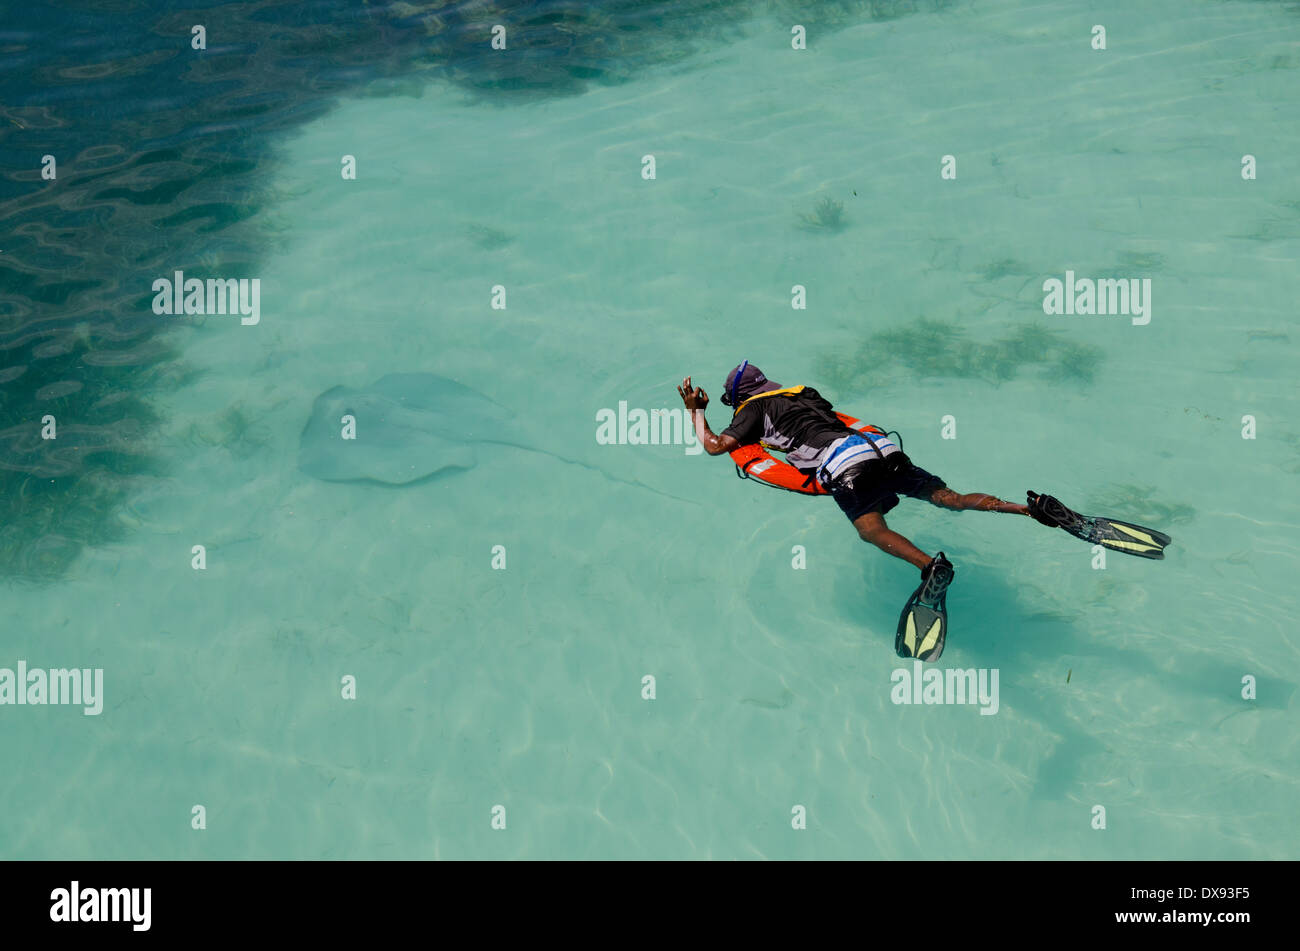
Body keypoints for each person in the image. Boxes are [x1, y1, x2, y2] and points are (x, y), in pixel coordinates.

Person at [678, 362, 1170, 661]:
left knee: (871, 529)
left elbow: (717, 447)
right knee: (947, 497)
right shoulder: (803, 393)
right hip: (878, 448)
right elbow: (827, 422)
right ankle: (1035, 509)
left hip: (843, 464)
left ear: (740, 398)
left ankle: (930, 568)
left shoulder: (752, 410)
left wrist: (696, 411)